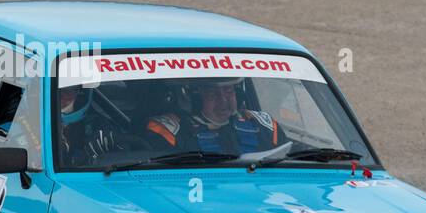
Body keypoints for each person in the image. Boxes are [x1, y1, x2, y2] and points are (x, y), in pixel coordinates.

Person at [145, 78, 284, 155]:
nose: (223, 101)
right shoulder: (169, 132)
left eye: (228, 91)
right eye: (213, 94)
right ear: (194, 99)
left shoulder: (263, 125)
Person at [58, 86, 119, 165]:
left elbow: (123, 154)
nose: (63, 94)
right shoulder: (39, 123)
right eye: (60, 90)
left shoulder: (97, 124)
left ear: (81, 92)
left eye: (70, 89)